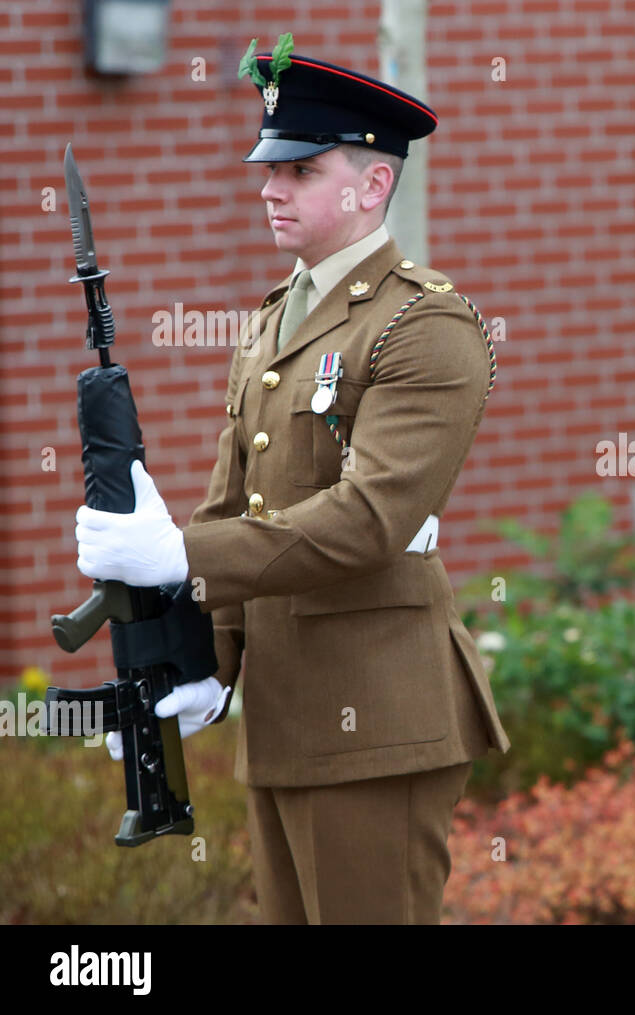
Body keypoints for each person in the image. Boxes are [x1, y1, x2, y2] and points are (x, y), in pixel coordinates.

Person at [74, 38, 509, 923]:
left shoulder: (426, 326)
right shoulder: (276, 318)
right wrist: (205, 657)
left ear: (373, 184)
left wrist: (175, 552)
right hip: (284, 718)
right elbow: (239, 506)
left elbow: (368, 519)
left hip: (378, 724)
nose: (270, 187)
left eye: (301, 170)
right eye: (270, 168)